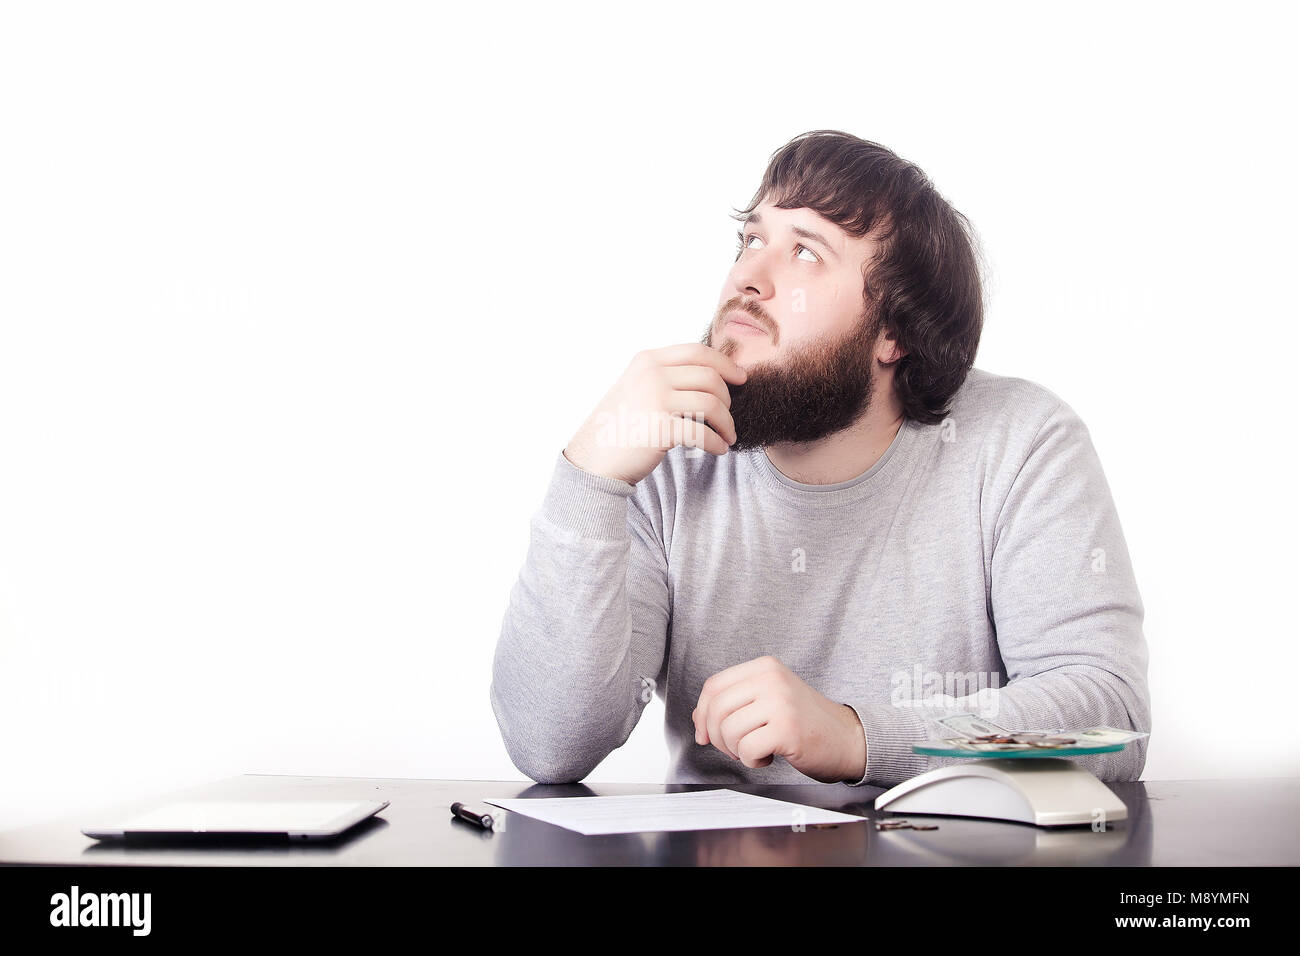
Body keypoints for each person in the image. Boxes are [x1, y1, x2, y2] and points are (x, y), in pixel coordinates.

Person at [490, 130, 1150, 788]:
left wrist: (855, 736)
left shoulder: (1021, 443)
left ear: (894, 332)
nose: (748, 277)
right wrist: (590, 478)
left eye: (804, 251)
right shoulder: (663, 454)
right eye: (752, 240)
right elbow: (550, 748)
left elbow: (1108, 724)